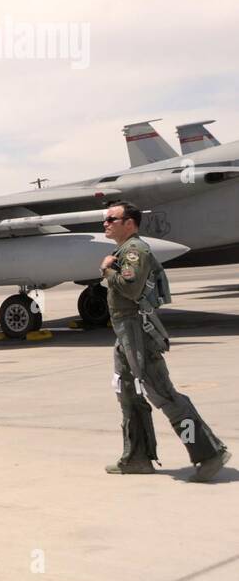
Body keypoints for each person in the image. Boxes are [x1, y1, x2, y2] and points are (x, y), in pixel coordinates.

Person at [100, 200, 230, 480]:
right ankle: (136, 457)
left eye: (112, 219)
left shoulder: (134, 250)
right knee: (127, 393)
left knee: (162, 393)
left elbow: (131, 288)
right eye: (106, 219)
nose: (106, 223)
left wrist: (108, 270)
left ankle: (209, 453)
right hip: (125, 333)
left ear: (129, 223)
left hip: (136, 331)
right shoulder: (124, 250)